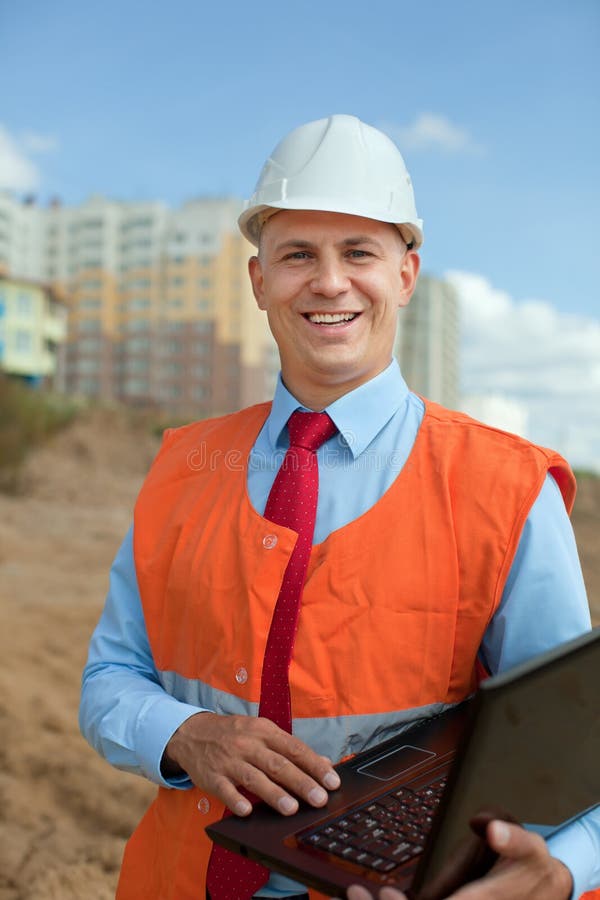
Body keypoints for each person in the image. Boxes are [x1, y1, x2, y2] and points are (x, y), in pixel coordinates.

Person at [80, 114, 600, 900]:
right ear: (260, 282)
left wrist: (561, 874)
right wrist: (184, 733)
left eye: (359, 253)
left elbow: (574, 749)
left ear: (406, 276)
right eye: (298, 255)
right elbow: (111, 676)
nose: (329, 283)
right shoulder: (183, 467)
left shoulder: (506, 488)